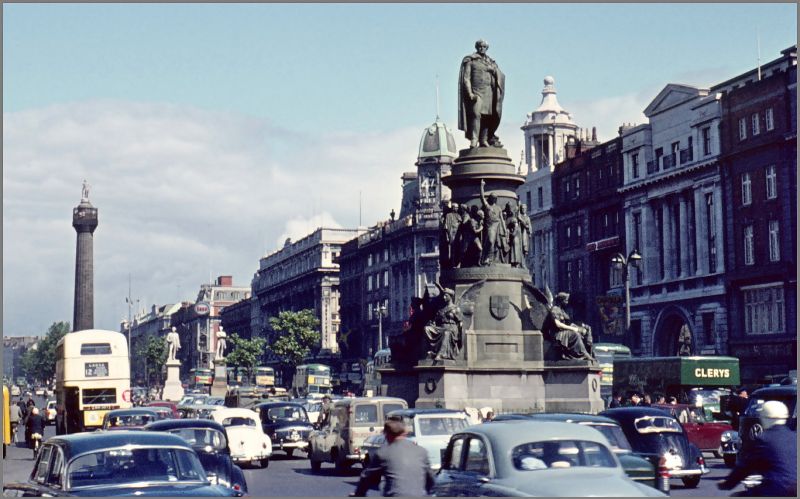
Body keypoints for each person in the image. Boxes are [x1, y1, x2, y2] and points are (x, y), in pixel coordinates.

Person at [718, 400, 796, 497]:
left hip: (777, 488)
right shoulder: (794, 437)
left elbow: (745, 467)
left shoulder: (763, 439)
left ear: (764, 418)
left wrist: (728, 483)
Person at [352, 419, 435, 497]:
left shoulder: (383, 453)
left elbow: (367, 477)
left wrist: (359, 494)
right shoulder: (421, 451)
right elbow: (430, 479)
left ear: (386, 434)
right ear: (405, 433)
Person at [458, 39, 505, 148]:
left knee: (488, 116)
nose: (482, 48)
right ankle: (474, 139)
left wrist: (494, 71)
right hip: (477, 92)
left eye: (484, 47)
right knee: (476, 114)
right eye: (480, 46)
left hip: (489, 93)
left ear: (487, 48)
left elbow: (501, 75)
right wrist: (469, 92)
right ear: (476, 47)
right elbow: (466, 78)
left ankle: (483, 139)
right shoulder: (471, 60)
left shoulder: (491, 62)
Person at [542, 292, 593, 361]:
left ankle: (588, 352)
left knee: (586, 330)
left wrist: (580, 328)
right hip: (558, 334)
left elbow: (569, 323)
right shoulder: (555, 309)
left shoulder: (562, 311)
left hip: (565, 332)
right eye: (566, 300)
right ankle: (582, 354)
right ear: (561, 300)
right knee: (575, 334)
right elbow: (558, 324)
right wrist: (574, 329)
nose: (567, 302)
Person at [424, 287, 463, 361]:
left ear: (450, 297)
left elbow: (460, 321)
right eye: (443, 295)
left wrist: (460, 332)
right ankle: (433, 351)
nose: (444, 297)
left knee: (446, 333)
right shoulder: (441, 308)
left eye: (446, 296)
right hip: (441, 327)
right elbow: (436, 320)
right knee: (427, 329)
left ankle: (442, 354)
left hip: (451, 328)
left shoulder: (455, 308)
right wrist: (433, 324)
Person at [479, 179, 507, 266]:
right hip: (489, 225)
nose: (493, 199)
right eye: (492, 198)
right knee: (490, 241)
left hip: (497, 225)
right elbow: (482, 197)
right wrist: (482, 186)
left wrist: (504, 229)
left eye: (494, 198)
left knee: (495, 243)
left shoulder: (498, 208)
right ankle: (486, 257)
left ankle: (490, 259)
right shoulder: (487, 206)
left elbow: (502, 219)